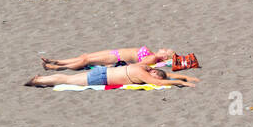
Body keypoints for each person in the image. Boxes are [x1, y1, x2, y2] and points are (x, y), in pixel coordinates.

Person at [25, 63, 198, 88]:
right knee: (67, 80)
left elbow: (166, 75)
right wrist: (182, 83)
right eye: (155, 76)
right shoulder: (142, 73)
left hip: (102, 71)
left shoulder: (143, 67)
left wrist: (186, 77)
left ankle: (41, 78)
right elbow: (160, 82)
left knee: (69, 78)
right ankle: (37, 81)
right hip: (101, 78)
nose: (154, 78)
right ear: (153, 73)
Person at [40, 47, 187, 72]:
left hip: (116, 57)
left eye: (166, 50)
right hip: (115, 52)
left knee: (86, 61)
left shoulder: (153, 57)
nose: (163, 48)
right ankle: (57, 61)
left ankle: (57, 67)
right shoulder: (153, 54)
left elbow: (139, 64)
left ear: (164, 56)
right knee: (85, 56)